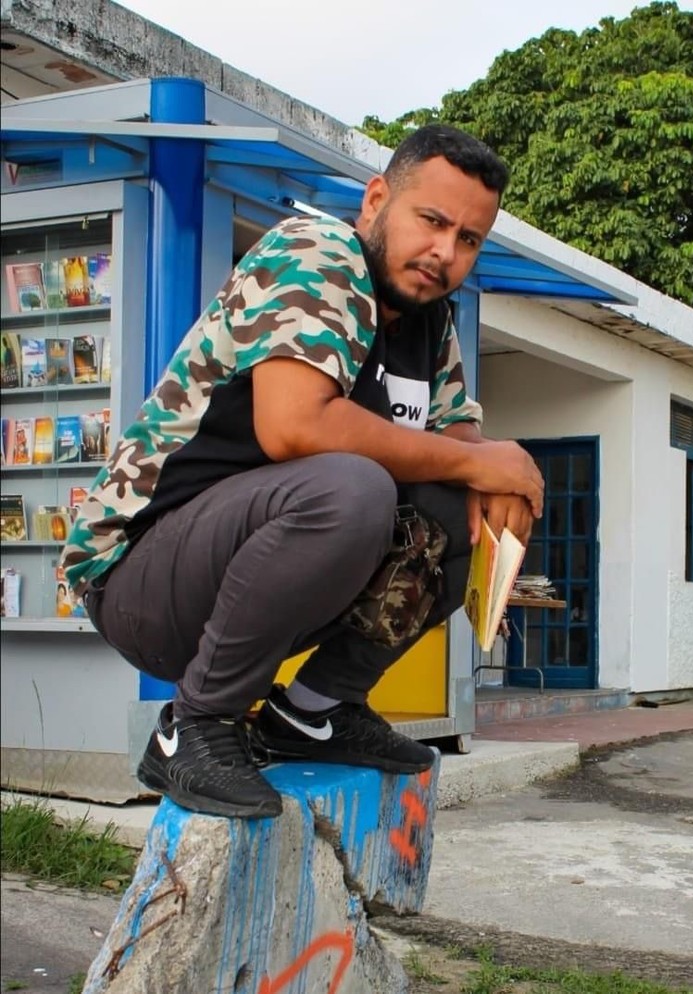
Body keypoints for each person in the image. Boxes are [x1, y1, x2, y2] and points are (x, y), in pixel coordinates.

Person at [61, 125, 544, 819]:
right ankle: (191, 728)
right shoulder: (319, 251)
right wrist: (479, 460)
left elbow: (457, 437)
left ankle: (314, 712)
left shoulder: (429, 320)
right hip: (140, 575)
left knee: (452, 512)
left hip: (258, 572)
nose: (445, 253)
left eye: (469, 239)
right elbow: (295, 426)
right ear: (377, 201)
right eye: (432, 221)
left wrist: (502, 478)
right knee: (353, 489)